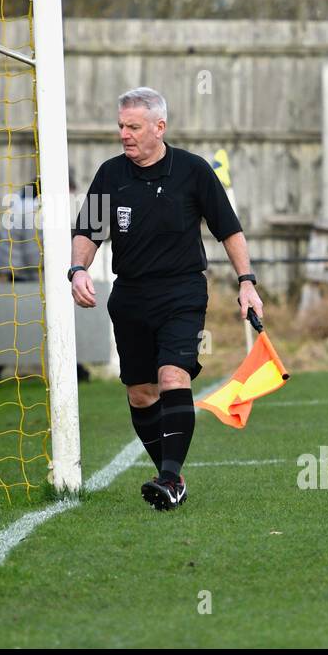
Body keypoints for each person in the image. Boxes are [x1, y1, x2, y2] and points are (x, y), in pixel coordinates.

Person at [70, 87, 263, 511]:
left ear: (159, 128)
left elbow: (229, 229)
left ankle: (171, 476)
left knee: (174, 377)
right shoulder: (110, 175)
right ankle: (170, 477)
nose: (124, 134)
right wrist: (78, 269)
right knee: (141, 393)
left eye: (133, 127)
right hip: (131, 295)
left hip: (182, 291)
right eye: (120, 126)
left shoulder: (192, 171)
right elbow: (88, 232)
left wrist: (246, 282)